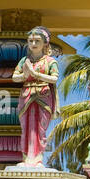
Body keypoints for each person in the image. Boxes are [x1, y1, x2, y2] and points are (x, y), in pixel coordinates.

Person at [12, 26, 58, 168]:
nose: (33, 44)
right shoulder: (24, 61)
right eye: (30, 41)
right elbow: (15, 77)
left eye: (37, 41)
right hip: (26, 96)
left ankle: (38, 158)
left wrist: (36, 74)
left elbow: (54, 78)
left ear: (45, 43)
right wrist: (25, 75)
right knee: (26, 127)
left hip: (43, 96)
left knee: (40, 128)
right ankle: (26, 158)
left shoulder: (50, 61)